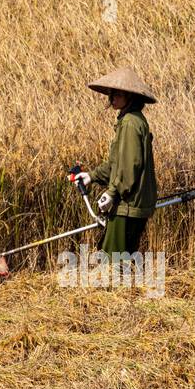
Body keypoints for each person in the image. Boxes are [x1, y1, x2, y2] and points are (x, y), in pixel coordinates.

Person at [74, 67, 157, 255]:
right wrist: (92, 176)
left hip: (128, 205)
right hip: (130, 204)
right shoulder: (129, 120)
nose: (112, 98)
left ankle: (119, 284)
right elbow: (116, 163)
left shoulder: (130, 123)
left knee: (113, 258)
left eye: (118, 94)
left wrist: (112, 193)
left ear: (131, 97)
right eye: (112, 94)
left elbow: (129, 167)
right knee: (119, 256)